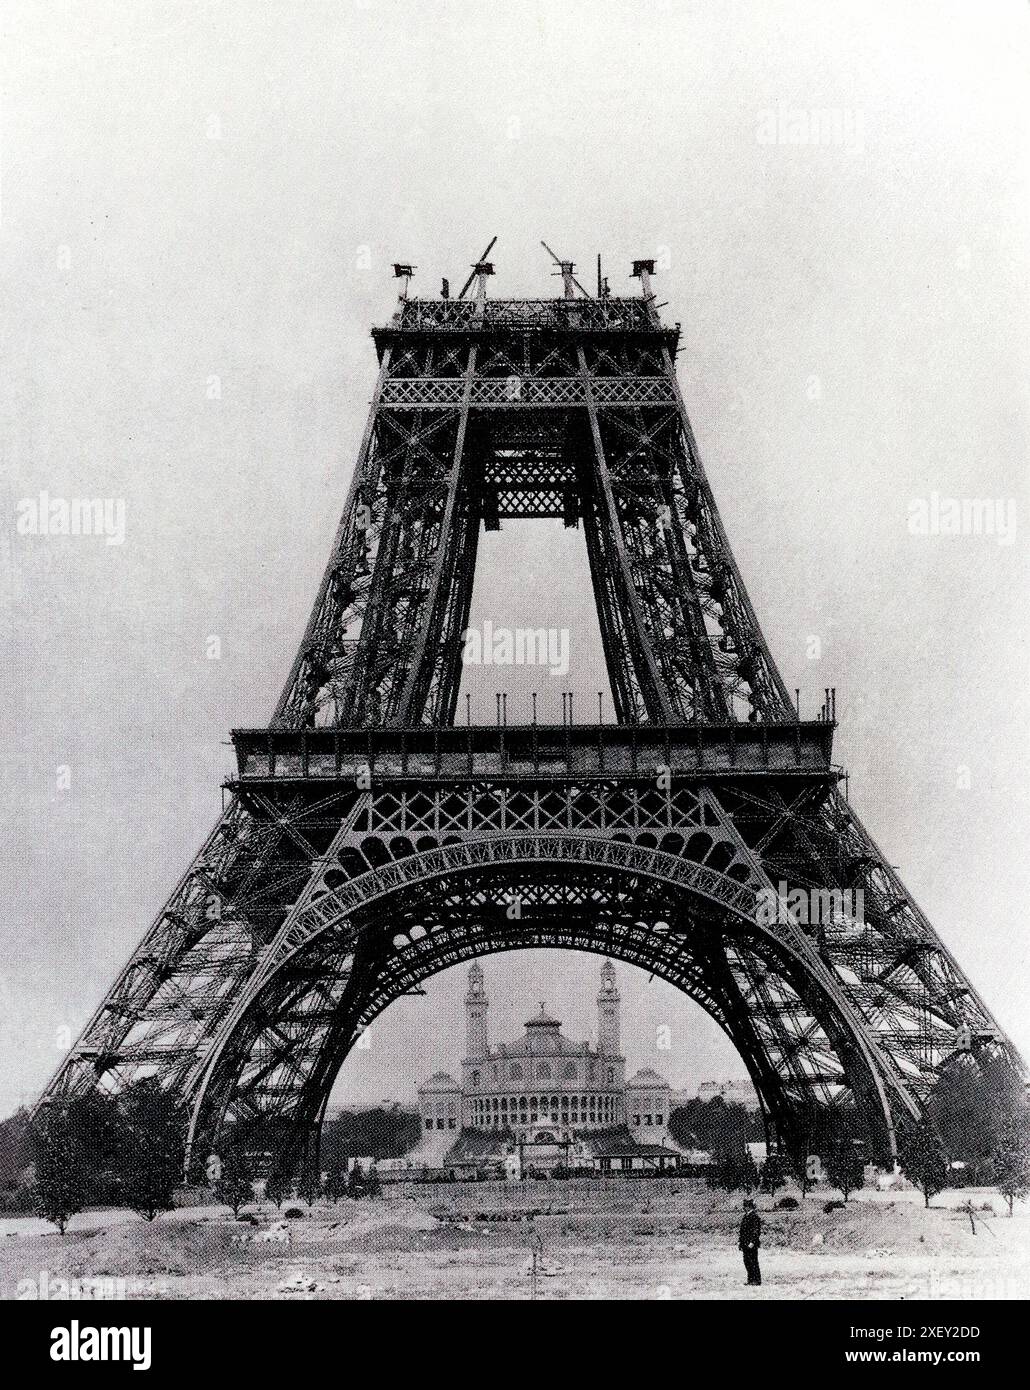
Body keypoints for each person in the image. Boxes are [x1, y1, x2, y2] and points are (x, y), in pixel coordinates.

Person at [739, 1197, 762, 1286]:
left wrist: (752, 1242)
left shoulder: (754, 1217)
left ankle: (756, 1280)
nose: (744, 1208)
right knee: (747, 1262)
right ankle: (750, 1280)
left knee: (753, 1262)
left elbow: (756, 1231)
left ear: (750, 1207)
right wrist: (740, 1241)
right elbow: (742, 1231)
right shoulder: (745, 1216)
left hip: (751, 1244)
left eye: (745, 1206)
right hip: (745, 1243)